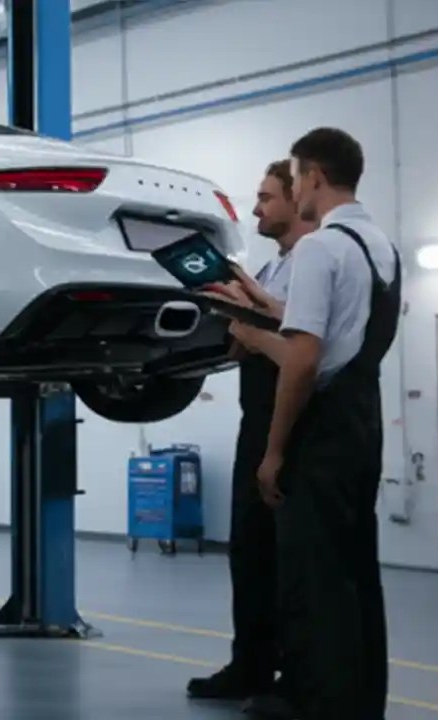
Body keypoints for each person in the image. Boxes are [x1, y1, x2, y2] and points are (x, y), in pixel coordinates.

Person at [222, 127, 401, 720]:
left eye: (295, 179)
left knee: (311, 573)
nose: (295, 190)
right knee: (355, 571)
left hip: (321, 432)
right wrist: (267, 308)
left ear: (314, 177)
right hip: (362, 424)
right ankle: (358, 702)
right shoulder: (378, 245)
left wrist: (273, 453)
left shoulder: (321, 247)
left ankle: (312, 700)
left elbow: (304, 361)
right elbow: (342, 328)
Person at [186, 160, 315, 705]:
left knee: (289, 558)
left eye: (266, 197)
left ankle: (296, 676)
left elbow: (303, 354)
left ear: (296, 200)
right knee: (250, 550)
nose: (257, 208)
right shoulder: (270, 268)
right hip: (254, 419)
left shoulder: (312, 264)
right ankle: (251, 665)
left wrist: (256, 326)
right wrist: (233, 309)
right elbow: (242, 347)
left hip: (293, 423)